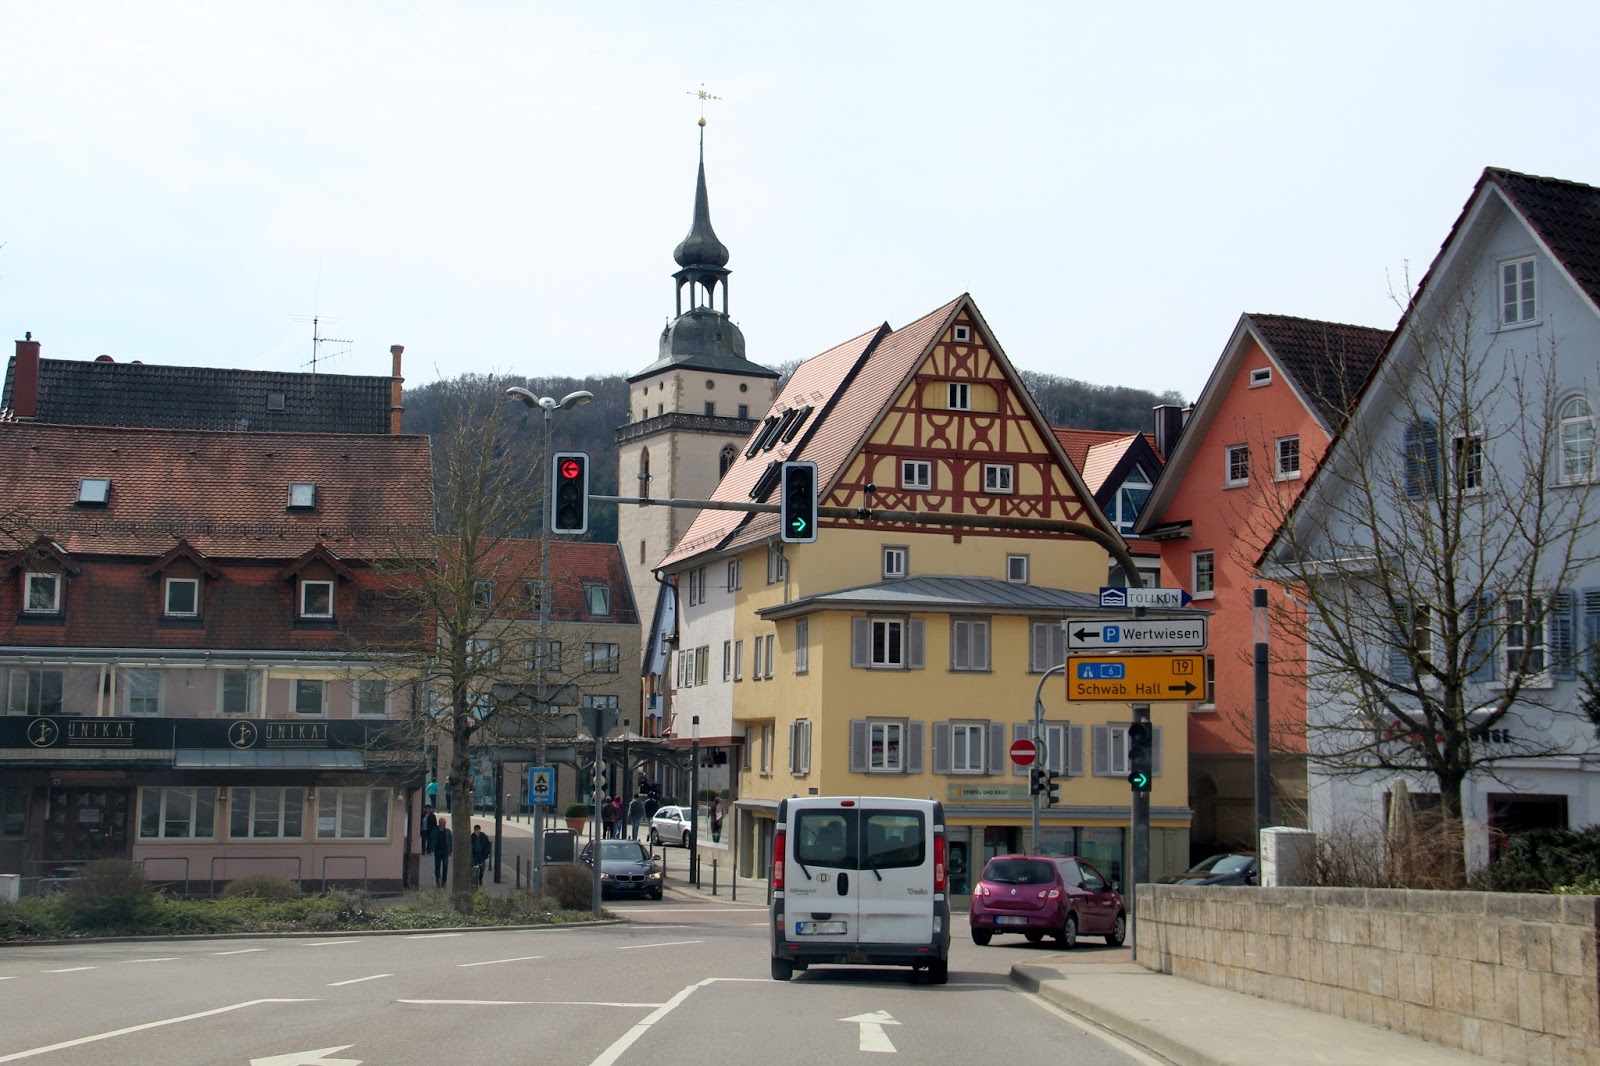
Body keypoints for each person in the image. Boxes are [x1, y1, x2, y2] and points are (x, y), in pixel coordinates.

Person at [433, 819, 453, 887]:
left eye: (445, 823)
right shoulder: (435, 831)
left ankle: (444, 881)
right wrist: (431, 849)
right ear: (440, 823)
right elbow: (432, 839)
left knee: (445, 866)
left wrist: (450, 851)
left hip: (445, 851)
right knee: (437, 866)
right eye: (443, 823)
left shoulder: (448, 831)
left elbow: (450, 841)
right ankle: (438, 879)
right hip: (438, 851)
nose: (444, 824)